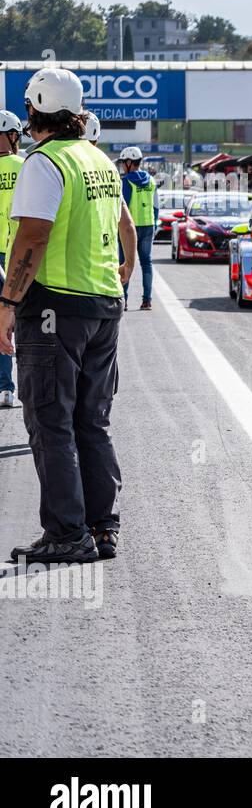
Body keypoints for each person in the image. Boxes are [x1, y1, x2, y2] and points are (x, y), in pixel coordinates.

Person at [0, 67, 137, 564]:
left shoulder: (45, 163)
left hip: (57, 304)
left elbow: (31, 239)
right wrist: (126, 270)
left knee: (49, 420)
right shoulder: (97, 159)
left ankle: (66, 533)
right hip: (104, 304)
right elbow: (125, 226)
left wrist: (7, 305)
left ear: (34, 110)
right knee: (91, 421)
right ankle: (101, 527)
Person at [0, 109, 24, 409]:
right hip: (20, 252)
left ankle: (5, 386)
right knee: (17, 319)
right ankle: (10, 387)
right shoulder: (26, 165)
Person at [119, 146, 157, 311]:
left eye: (122, 162)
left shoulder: (126, 181)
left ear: (129, 162)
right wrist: (154, 223)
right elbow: (156, 207)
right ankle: (147, 300)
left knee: (125, 262)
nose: (121, 165)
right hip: (148, 226)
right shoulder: (152, 181)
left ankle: (124, 300)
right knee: (146, 263)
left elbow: (122, 206)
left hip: (130, 228)